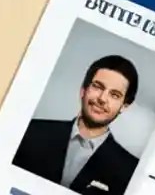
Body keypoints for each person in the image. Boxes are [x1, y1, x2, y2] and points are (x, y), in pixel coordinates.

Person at [11, 55, 141, 195]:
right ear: (83, 90)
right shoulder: (32, 132)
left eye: (114, 95)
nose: (102, 99)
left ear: (124, 106)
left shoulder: (131, 170)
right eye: (98, 87)